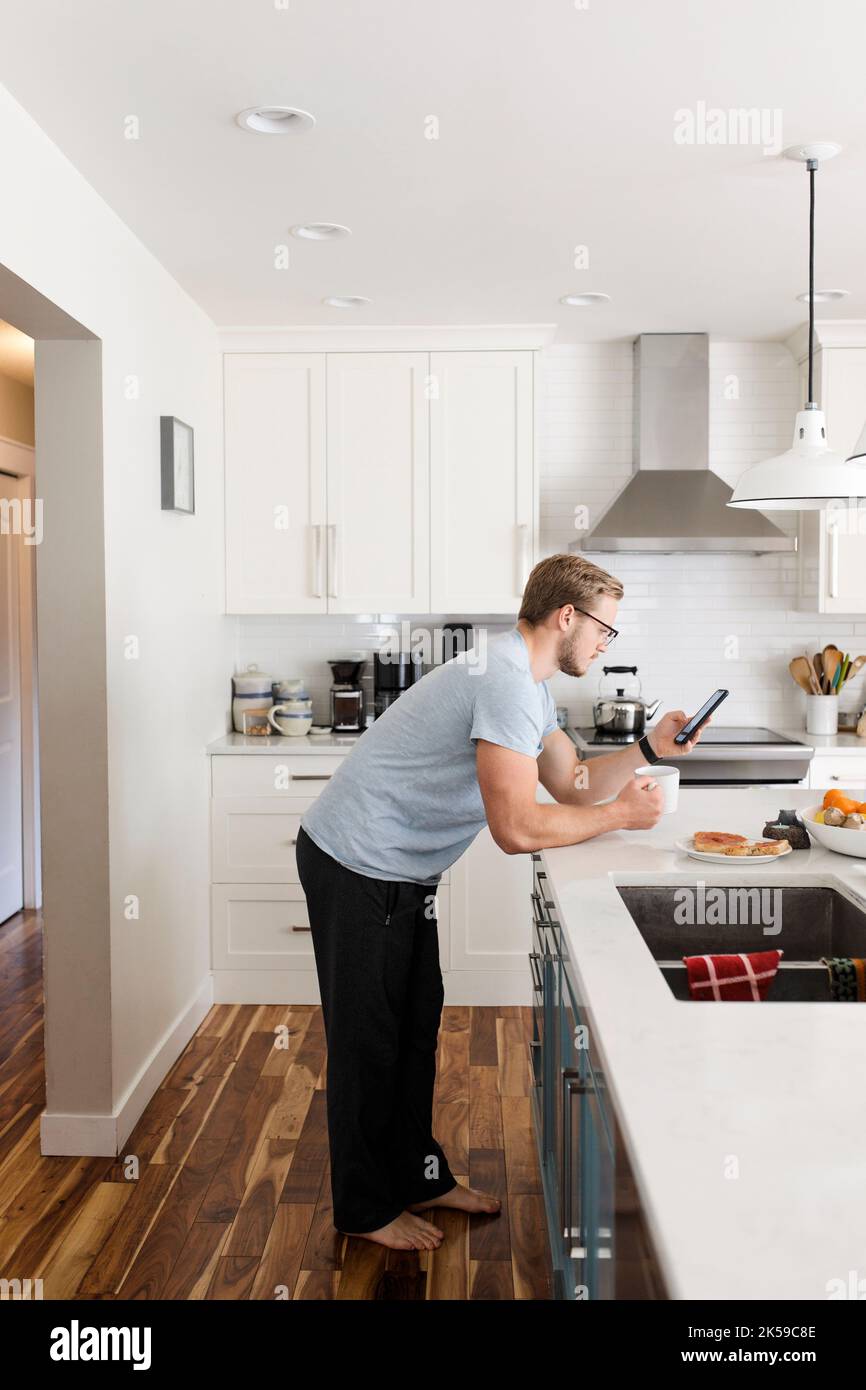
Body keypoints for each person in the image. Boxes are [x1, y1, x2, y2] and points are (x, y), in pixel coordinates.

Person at [296, 552, 707, 1251]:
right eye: (606, 630)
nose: (607, 645)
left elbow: (573, 782)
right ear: (566, 615)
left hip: (402, 876)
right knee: (370, 1044)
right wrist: (622, 818)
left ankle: (420, 1176)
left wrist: (648, 746)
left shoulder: (525, 681)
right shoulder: (508, 682)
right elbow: (516, 828)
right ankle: (365, 1211)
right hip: (356, 862)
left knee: (414, 1031)